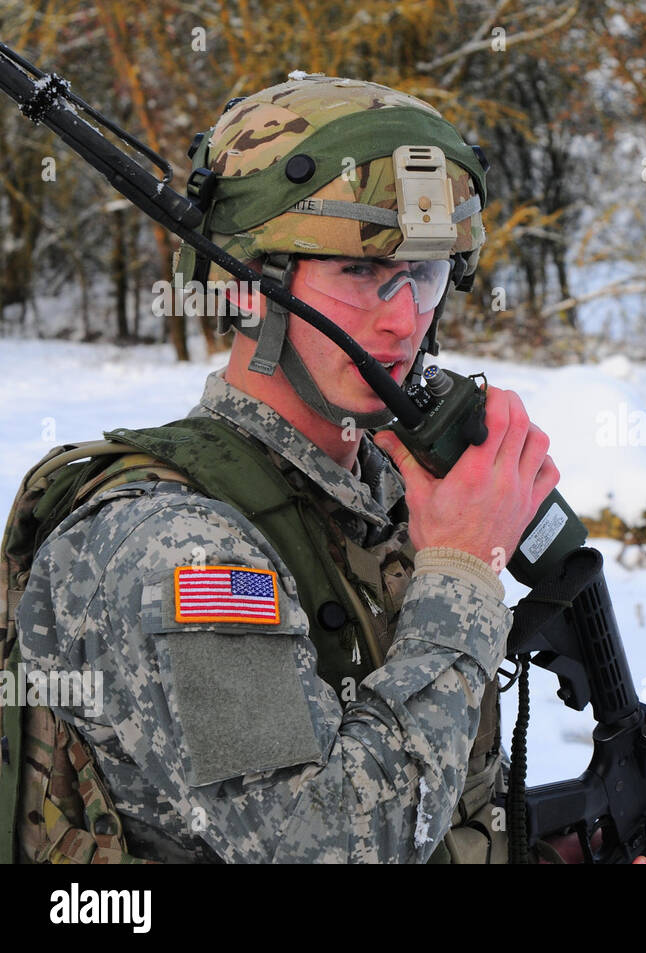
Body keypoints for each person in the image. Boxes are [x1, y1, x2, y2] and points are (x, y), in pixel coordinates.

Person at [14, 75, 558, 863]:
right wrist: (462, 576)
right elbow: (324, 842)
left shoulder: (393, 493)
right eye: (360, 273)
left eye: (426, 273)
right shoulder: (176, 547)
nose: (404, 318)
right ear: (249, 284)